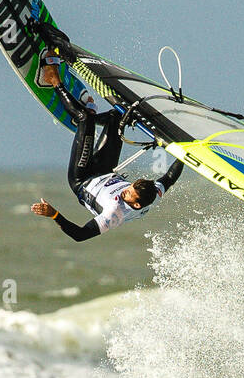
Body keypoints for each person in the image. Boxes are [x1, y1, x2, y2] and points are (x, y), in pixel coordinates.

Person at [29, 28, 183, 241]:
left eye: (128, 194)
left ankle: (53, 79)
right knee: (115, 116)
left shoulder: (114, 214)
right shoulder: (152, 193)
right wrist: (184, 151)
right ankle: (85, 122)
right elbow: (170, 177)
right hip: (104, 171)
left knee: (85, 118)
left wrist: (53, 214)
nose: (125, 191)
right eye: (128, 187)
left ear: (135, 205)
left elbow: (80, 235)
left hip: (82, 180)